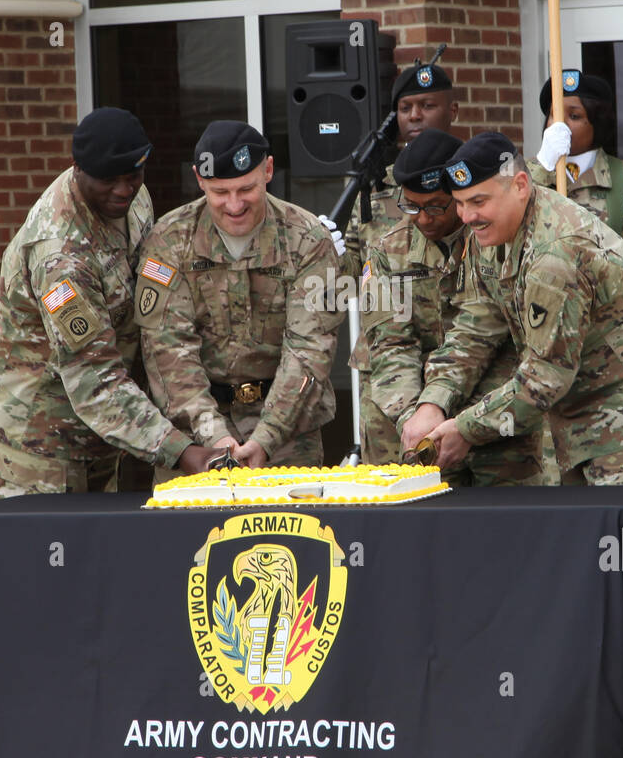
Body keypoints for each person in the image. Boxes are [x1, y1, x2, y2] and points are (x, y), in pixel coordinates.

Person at [400, 132, 623, 484]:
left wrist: (465, 429)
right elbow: (477, 326)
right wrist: (433, 402)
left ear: (520, 185)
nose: (466, 216)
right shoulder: (491, 231)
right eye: (460, 202)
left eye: (478, 201)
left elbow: (546, 375)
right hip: (577, 424)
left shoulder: (557, 253)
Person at [0, 106, 220, 497]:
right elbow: (93, 379)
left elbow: (149, 287)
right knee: (46, 553)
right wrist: (182, 451)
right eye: (108, 180)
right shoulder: (60, 256)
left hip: (100, 428)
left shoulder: (134, 199)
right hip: (35, 438)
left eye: (132, 176)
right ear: (78, 169)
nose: (122, 190)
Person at [139, 121, 342, 468]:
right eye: (220, 192)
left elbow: (309, 350)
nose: (234, 205)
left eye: (245, 189)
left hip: (288, 432)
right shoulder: (169, 240)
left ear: (268, 170)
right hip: (196, 434)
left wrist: (268, 436)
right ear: (199, 180)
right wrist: (213, 436)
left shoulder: (308, 240)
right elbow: (168, 351)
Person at [363, 128, 543, 485]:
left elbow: (491, 333)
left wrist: (459, 419)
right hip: (414, 413)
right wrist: (419, 419)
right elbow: (390, 346)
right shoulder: (388, 250)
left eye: (435, 206)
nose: (423, 219)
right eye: (411, 206)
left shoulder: (493, 235)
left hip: (497, 411)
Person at [319, 53, 461, 464]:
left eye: (427, 106)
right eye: (405, 109)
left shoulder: (474, 185)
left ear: (452, 110)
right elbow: (347, 282)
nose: (415, 116)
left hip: (457, 361)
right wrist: (328, 254)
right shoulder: (371, 186)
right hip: (388, 368)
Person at [527, 67, 623, 301]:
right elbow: (503, 248)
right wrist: (543, 166)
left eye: (574, 116)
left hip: (609, 325)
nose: (560, 125)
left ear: (597, 123)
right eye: (554, 115)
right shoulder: (522, 178)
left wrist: (602, 281)